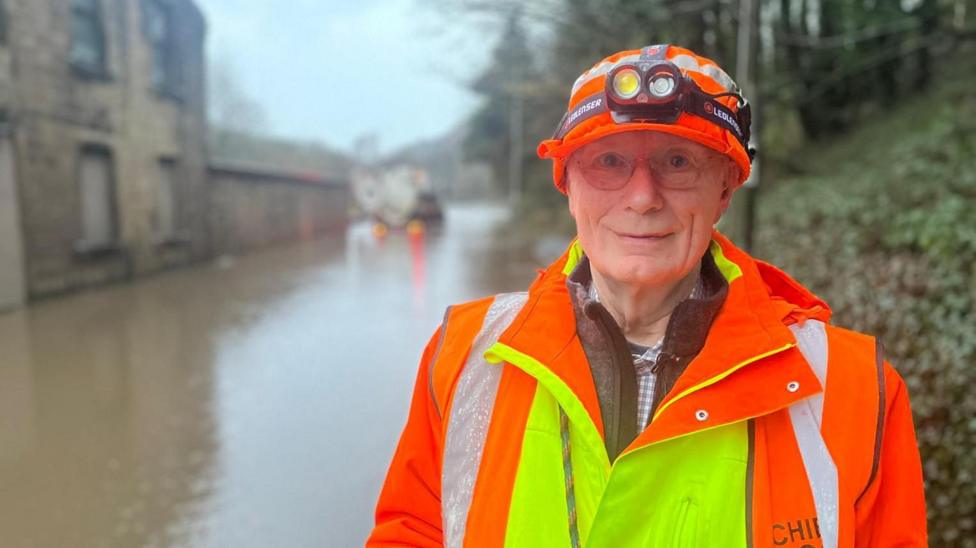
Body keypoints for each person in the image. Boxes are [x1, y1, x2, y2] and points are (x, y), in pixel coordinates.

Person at [367, 44, 927, 547]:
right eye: (608, 162)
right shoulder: (464, 356)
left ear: (727, 188)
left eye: (677, 162)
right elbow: (410, 532)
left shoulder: (852, 390)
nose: (642, 197)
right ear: (568, 185)